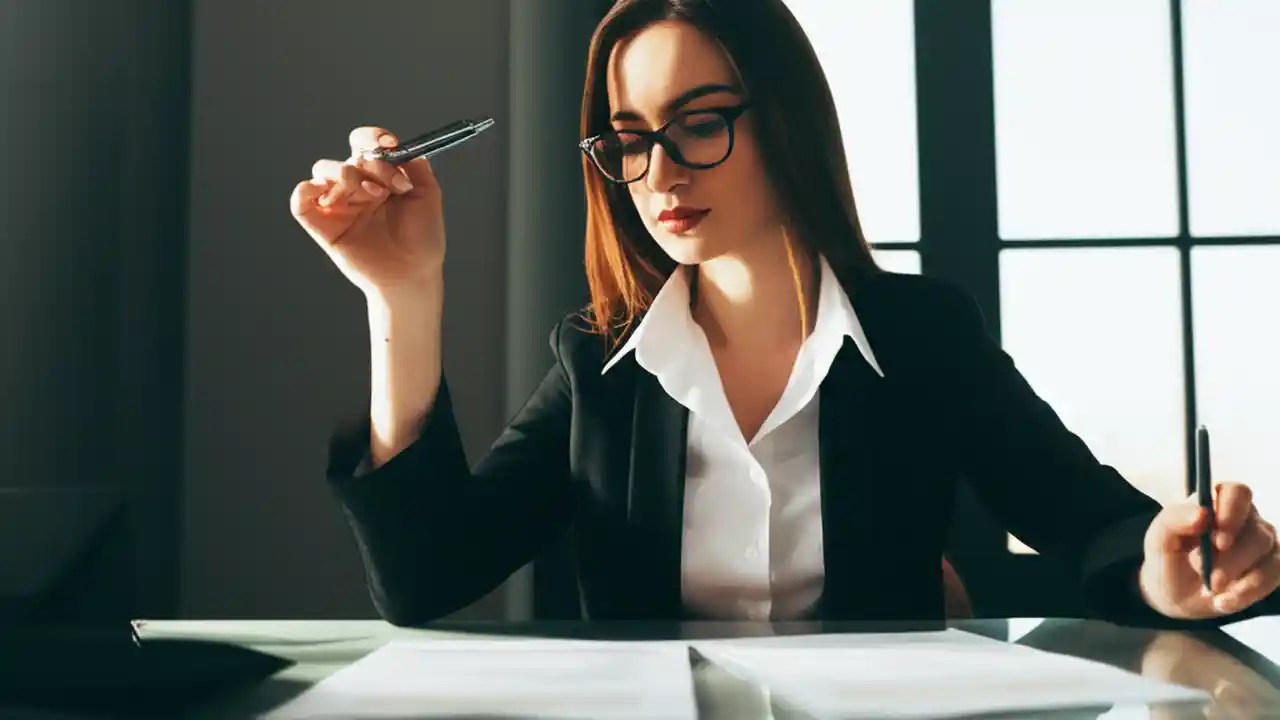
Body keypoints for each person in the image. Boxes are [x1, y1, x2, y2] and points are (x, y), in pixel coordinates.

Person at [288, 0, 1280, 627]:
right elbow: (424, 581)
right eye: (629, 139)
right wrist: (401, 292)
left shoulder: (921, 335)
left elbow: (1094, 525)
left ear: (787, 121)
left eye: (701, 123)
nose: (660, 171)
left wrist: (1168, 574)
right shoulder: (602, 359)